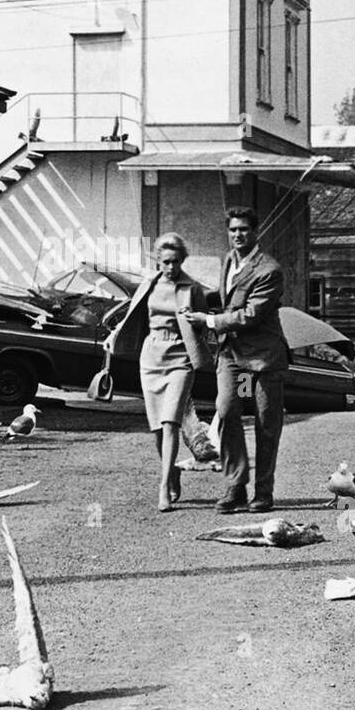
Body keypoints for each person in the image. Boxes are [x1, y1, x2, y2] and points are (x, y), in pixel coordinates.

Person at [181, 206, 290, 515]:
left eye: (243, 229)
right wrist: (192, 297)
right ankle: (236, 485)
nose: (238, 235)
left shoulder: (270, 270)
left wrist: (209, 321)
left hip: (264, 358)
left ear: (255, 232)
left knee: (266, 424)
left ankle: (263, 492)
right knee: (227, 411)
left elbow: (252, 314)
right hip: (232, 355)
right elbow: (229, 298)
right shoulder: (229, 260)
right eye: (233, 230)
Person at [106, 234, 212, 512]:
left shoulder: (193, 288)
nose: (171, 267)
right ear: (157, 261)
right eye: (165, 262)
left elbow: (204, 324)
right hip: (151, 357)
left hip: (180, 358)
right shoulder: (148, 284)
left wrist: (195, 322)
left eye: (176, 261)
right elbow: (134, 315)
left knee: (170, 423)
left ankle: (163, 486)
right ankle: (172, 471)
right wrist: (115, 336)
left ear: (182, 260)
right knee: (156, 427)